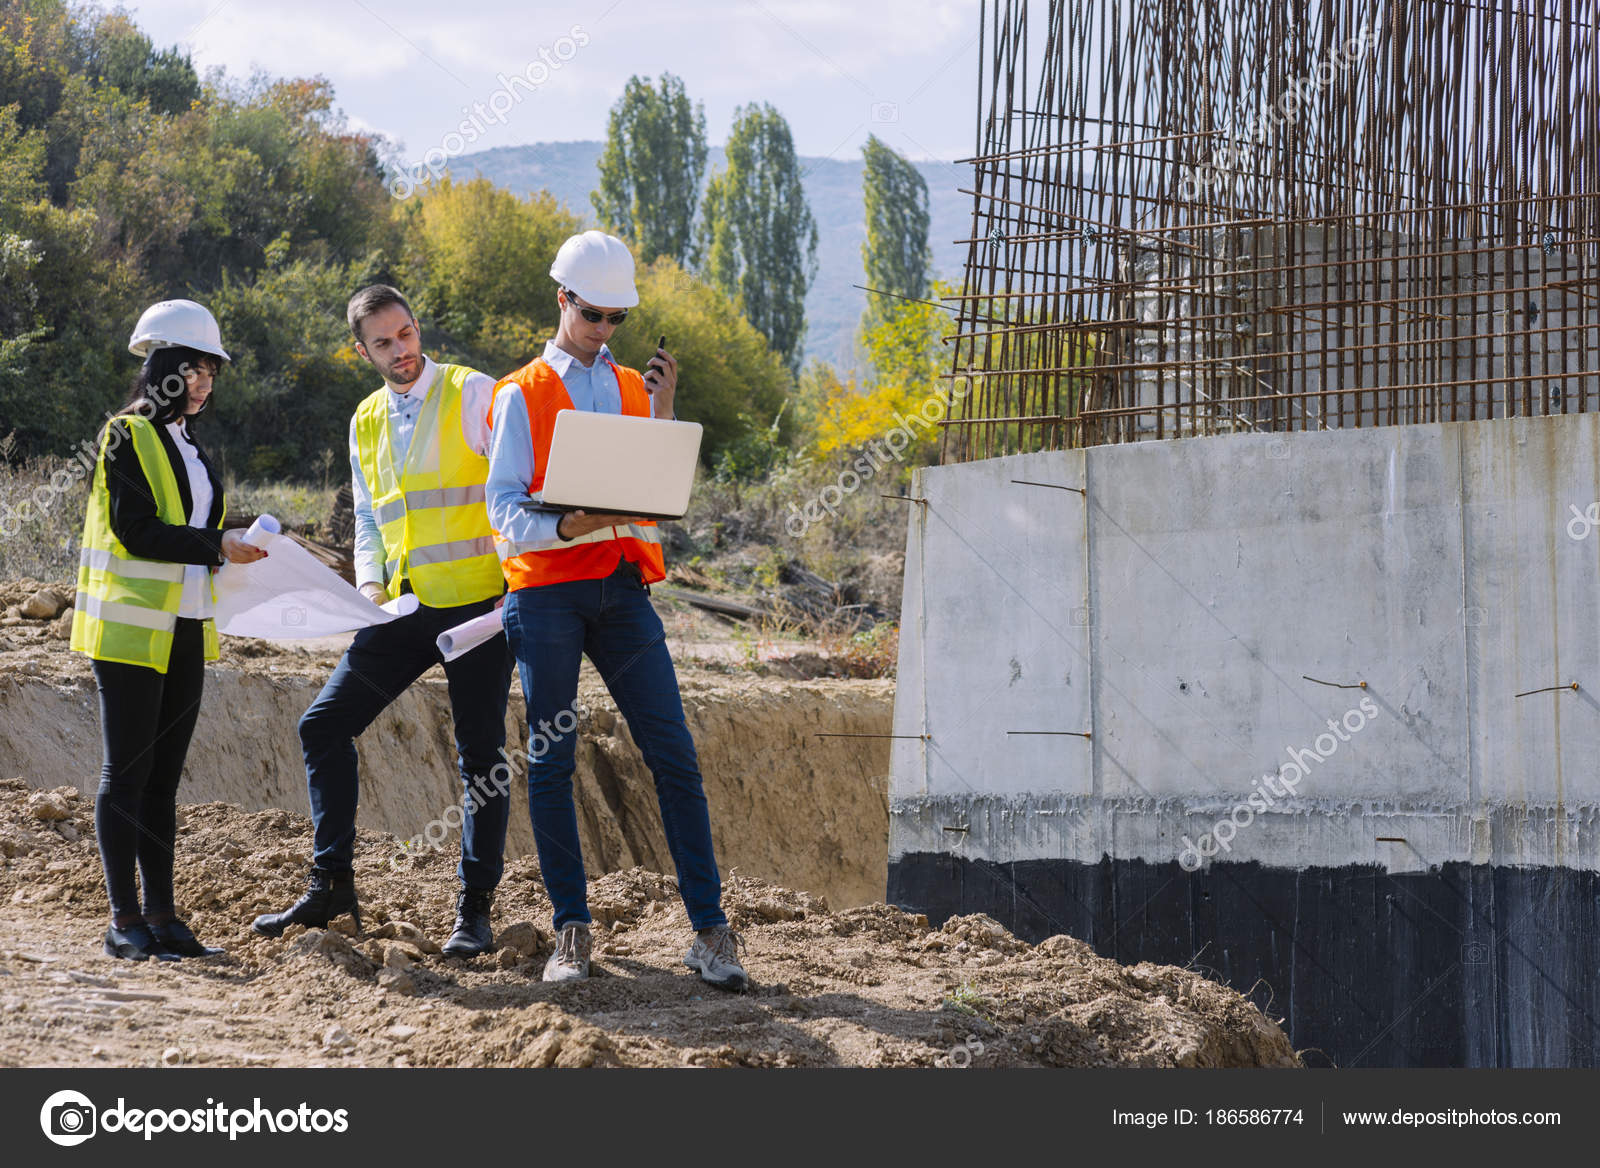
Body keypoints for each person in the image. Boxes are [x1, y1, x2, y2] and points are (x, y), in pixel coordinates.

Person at [486, 230, 748, 990]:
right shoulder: (520, 392)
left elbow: (656, 490)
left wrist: (664, 413)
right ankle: (572, 931)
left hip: (621, 588)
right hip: (544, 593)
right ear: (563, 300)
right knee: (552, 760)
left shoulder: (635, 386)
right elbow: (502, 509)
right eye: (594, 315)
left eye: (617, 320)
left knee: (674, 753)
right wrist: (567, 523)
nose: (605, 332)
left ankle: (710, 933)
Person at [251, 286, 514, 955]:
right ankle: (332, 887)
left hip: (479, 607)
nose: (400, 351)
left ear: (417, 328)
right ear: (361, 350)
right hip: (401, 606)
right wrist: (368, 584)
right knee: (323, 725)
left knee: (481, 757)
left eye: (406, 335)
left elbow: (519, 489)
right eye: (383, 343)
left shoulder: (475, 391)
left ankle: (473, 913)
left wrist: (516, 589)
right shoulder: (364, 418)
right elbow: (370, 517)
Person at [71, 299, 267, 961]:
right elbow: (137, 531)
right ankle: (123, 919)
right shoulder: (126, 435)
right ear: (162, 368)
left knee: (162, 782)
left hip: (185, 626)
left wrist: (242, 540)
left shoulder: (190, 445)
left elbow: (193, 529)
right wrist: (218, 543)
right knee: (125, 775)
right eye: (193, 368)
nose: (205, 381)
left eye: (211, 370)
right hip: (130, 630)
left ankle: (163, 917)